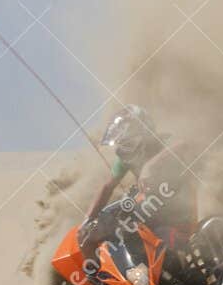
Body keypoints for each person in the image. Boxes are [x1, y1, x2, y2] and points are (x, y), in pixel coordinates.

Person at [79, 105, 197, 259]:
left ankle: (186, 254)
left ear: (144, 134)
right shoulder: (126, 158)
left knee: (158, 236)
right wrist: (87, 220)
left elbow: (183, 144)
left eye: (127, 143)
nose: (123, 149)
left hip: (180, 210)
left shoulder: (164, 141)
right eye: (121, 144)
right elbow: (107, 187)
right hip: (151, 213)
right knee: (108, 231)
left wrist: (150, 165)